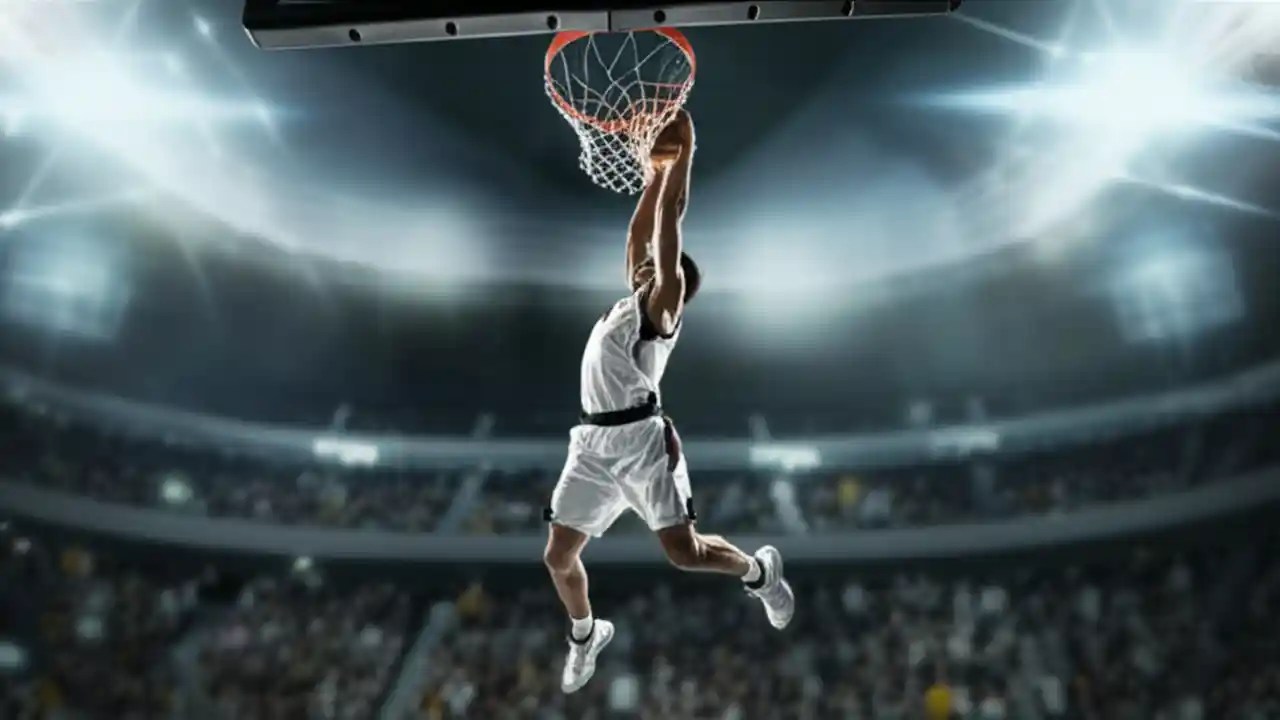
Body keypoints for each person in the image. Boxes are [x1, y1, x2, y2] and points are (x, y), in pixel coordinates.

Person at [542, 109, 795, 694]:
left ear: (673, 283)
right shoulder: (626, 301)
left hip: (641, 440)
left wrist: (682, 160)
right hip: (591, 443)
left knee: (684, 553)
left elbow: (663, 228)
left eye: (658, 265)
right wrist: (653, 172)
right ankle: (585, 633)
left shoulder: (663, 307)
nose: (646, 260)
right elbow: (639, 236)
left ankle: (759, 572)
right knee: (557, 558)